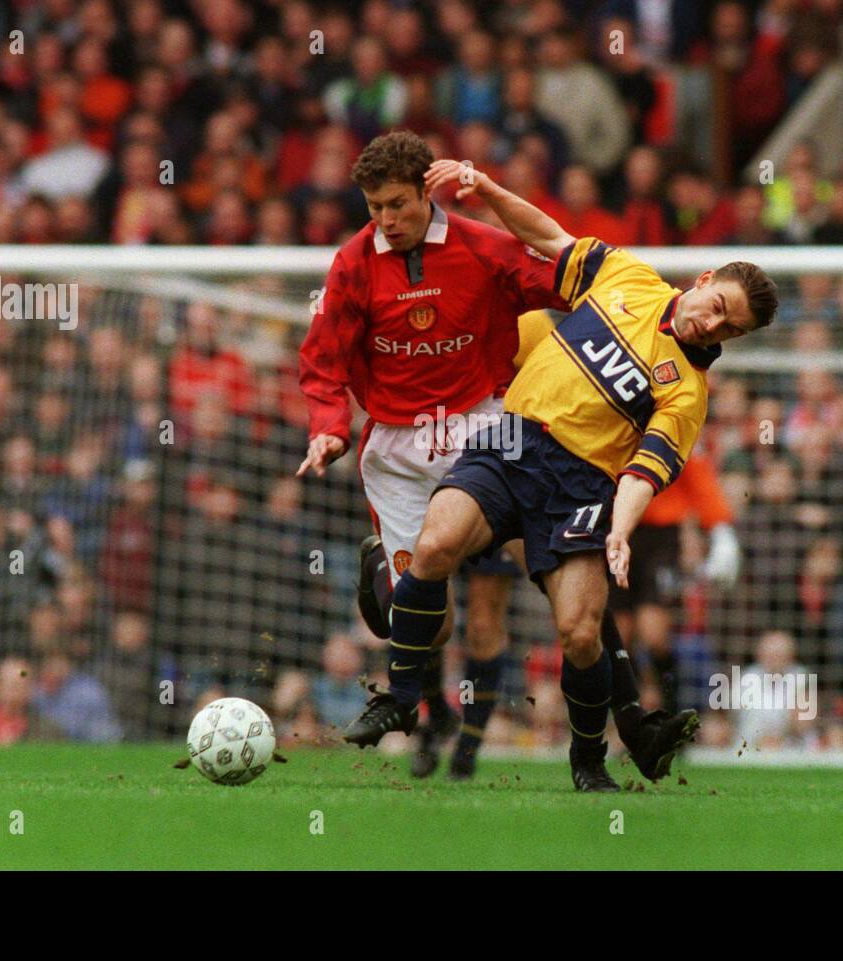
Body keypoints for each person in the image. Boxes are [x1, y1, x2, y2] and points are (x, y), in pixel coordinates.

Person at [341, 157, 777, 791]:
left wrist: (621, 533)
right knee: (434, 546)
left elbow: (641, 475)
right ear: (704, 279)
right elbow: (548, 237)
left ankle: (588, 760)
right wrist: (487, 188)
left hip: (581, 489)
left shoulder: (687, 393)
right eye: (717, 306)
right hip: (512, 442)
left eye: (728, 327)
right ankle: (404, 697)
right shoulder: (629, 276)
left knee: (578, 633)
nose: (711, 324)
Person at [295, 130, 570, 779]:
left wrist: (648, 313)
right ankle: (436, 712)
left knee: (496, 593)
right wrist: (329, 427)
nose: (386, 220)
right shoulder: (354, 263)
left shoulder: (482, 245)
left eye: (397, 203)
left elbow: (566, 282)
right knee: (427, 624)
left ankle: (467, 743)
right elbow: (322, 359)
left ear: (428, 190)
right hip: (395, 443)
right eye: (374, 207)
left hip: (481, 429)